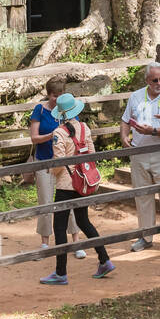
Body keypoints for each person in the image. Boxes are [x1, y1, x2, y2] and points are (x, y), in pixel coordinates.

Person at [40, 96, 114, 285]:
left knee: (59, 227)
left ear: (60, 114)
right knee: (83, 221)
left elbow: (59, 161)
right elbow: (91, 153)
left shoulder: (59, 133)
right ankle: (104, 259)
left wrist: (51, 170)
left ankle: (61, 272)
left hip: (66, 185)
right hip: (83, 183)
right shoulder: (84, 128)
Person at [119, 61, 160, 253]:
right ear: (147, 80)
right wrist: (123, 136)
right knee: (143, 196)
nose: (159, 83)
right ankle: (145, 236)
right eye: (155, 80)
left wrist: (154, 131)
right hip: (139, 154)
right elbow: (125, 120)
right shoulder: (136, 97)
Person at [29, 78, 86, 258]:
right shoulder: (39, 110)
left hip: (66, 165)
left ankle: (75, 241)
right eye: (55, 96)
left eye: (61, 95)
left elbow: (76, 134)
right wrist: (53, 135)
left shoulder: (69, 110)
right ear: (48, 94)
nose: (57, 99)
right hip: (45, 162)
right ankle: (45, 242)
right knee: (45, 202)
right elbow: (34, 138)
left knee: (68, 201)